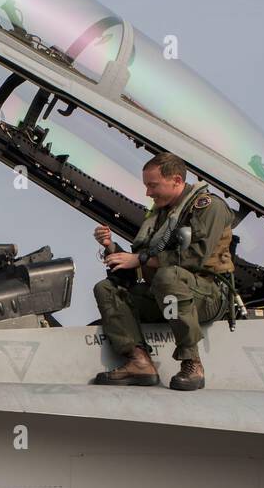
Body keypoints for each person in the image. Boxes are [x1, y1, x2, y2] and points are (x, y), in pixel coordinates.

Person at [91, 152, 234, 391]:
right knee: (107, 289)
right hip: (166, 294)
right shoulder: (162, 215)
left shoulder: (209, 207)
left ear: (177, 180)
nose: (148, 193)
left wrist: (140, 258)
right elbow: (139, 263)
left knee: (169, 276)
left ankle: (192, 363)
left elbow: (195, 257)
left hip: (208, 296)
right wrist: (110, 247)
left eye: (153, 185)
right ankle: (139, 361)